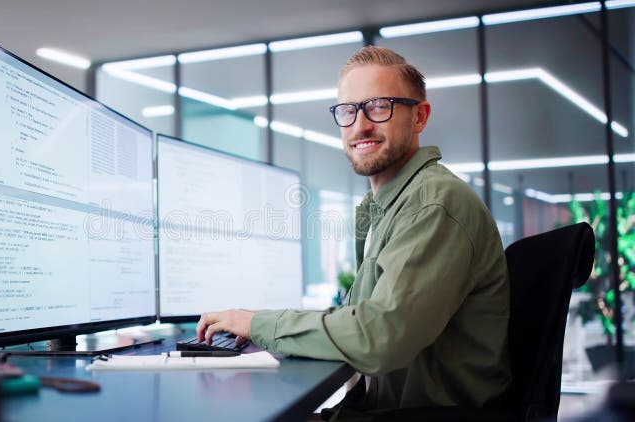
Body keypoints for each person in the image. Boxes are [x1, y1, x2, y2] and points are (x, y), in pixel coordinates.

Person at [195, 46, 511, 418]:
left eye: (379, 106)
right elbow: (359, 316)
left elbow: (379, 337)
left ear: (420, 116)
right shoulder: (386, 208)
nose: (360, 125)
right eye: (348, 110)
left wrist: (260, 324)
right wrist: (260, 323)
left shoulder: (433, 205)